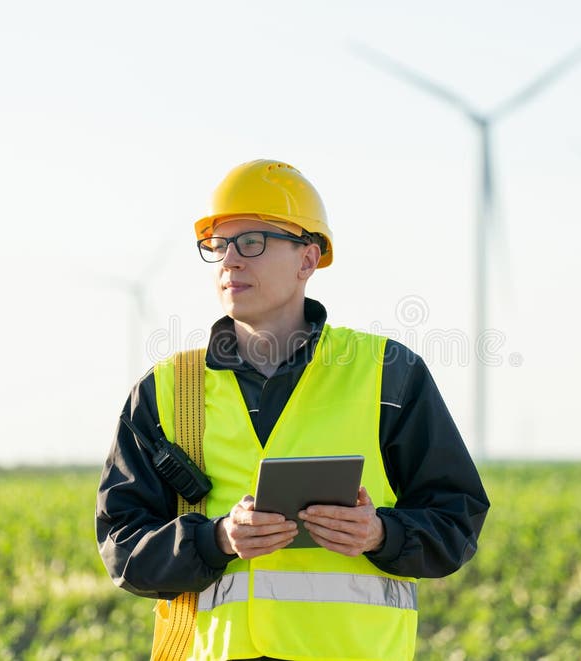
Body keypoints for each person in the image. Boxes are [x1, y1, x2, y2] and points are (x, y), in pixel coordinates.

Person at [95, 159, 490, 661]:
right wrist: (217, 538)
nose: (230, 261)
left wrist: (380, 532)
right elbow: (122, 546)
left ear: (307, 259)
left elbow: (457, 519)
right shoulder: (166, 391)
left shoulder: (388, 373)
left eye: (252, 241)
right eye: (217, 245)